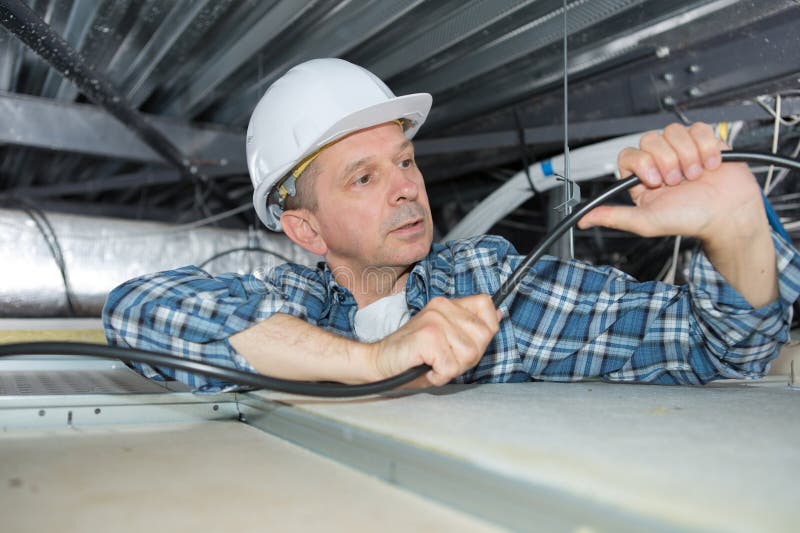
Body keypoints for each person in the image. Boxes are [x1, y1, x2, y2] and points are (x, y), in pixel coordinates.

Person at [103, 58, 800, 392]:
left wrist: (737, 229)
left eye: (404, 160)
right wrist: (375, 360)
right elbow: (136, 313)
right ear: (306, 230)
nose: (407, 187)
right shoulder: (285, 302)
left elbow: (724, 348)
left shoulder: (494, 289)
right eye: (364, 177)